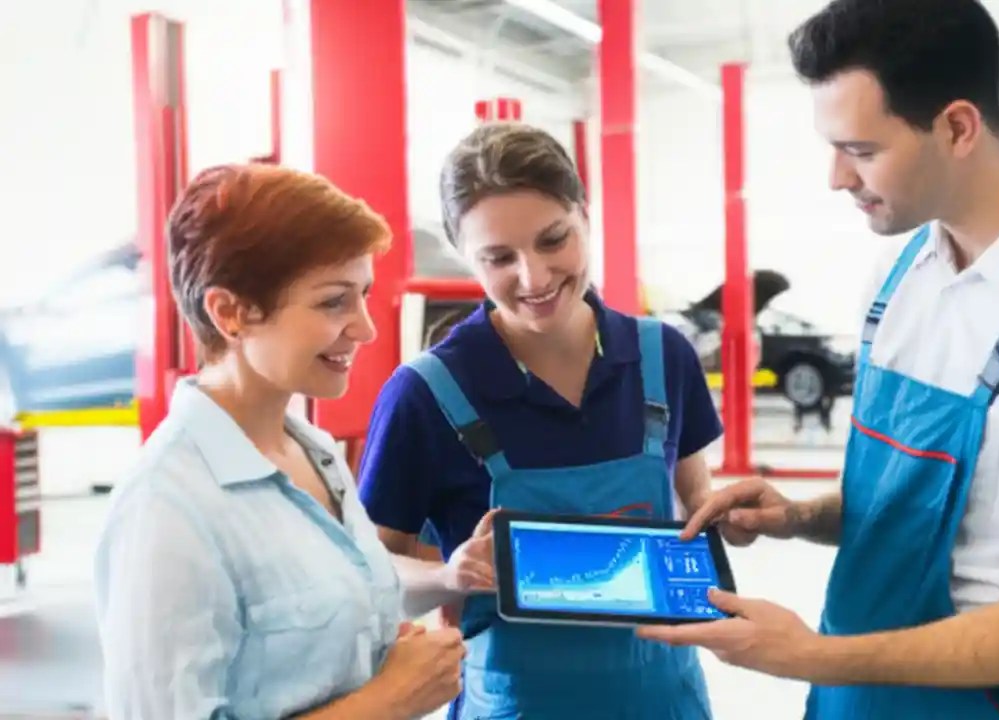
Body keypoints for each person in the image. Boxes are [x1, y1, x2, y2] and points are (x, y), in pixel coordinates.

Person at [638, 1, 999, 718]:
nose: (837, 177)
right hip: (855, 693)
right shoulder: (903, 277)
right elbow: (923, 511)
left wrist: (813, 657)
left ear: (958, 126)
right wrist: (802, 515)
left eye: (862, 150)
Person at [357, 122, 724, 719]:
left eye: (554, 240)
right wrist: (450, 576)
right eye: (500, 257)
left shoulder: (664, 358)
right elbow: (370, 573)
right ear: (463, 255)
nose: (535, 278)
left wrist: (724, 522)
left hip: (663, 699)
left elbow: (694, 502)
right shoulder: (425, 395)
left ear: (585, 214)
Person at [93, 163, 465, 719]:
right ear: (230, 313)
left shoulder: (311, 451)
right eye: (333, 302)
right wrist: (387, 701)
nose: (365, 327)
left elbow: (352, 587)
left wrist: (449, 578)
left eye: (362, 295)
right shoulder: (167, 508)